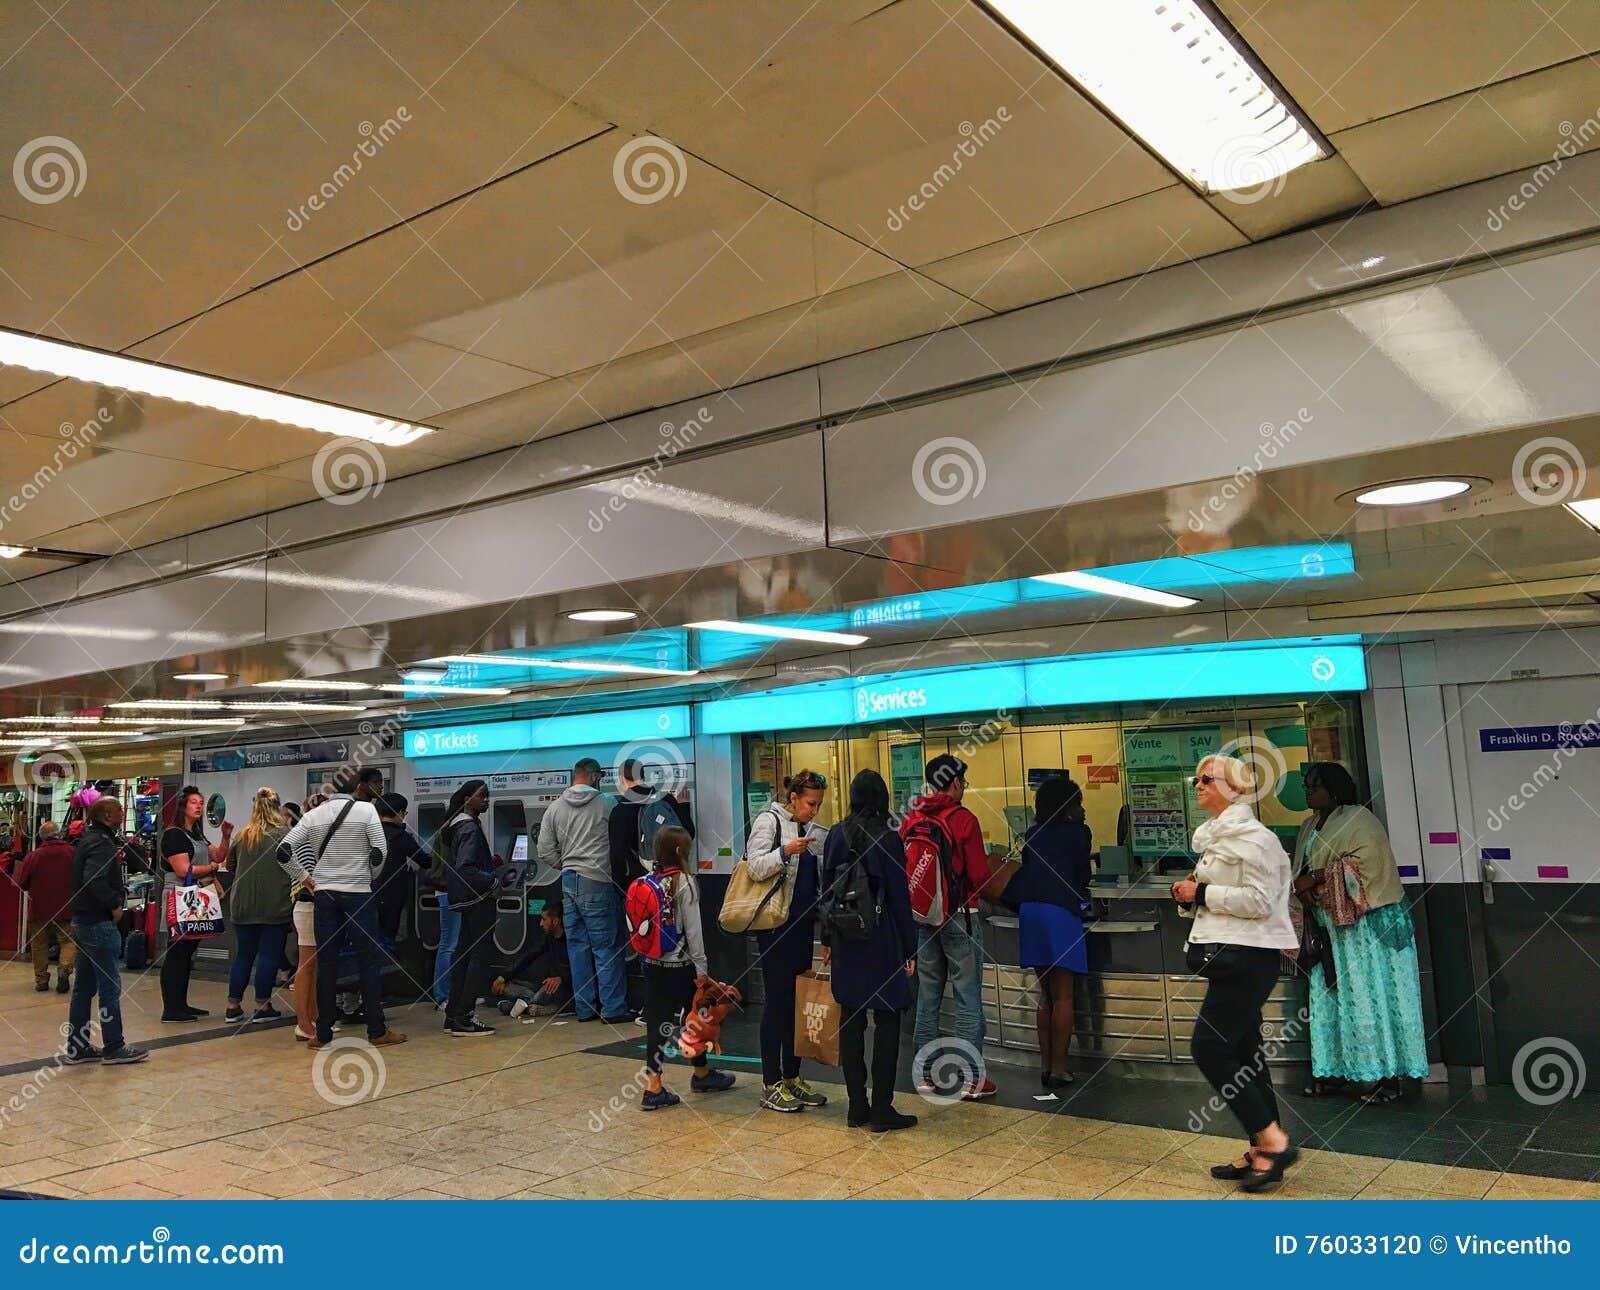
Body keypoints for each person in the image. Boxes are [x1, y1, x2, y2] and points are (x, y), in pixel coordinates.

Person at [1170, 754, 1299, 1192]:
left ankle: (1271, 1139)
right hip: (1232, 952)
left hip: (1249, 956)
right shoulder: (1220, 839)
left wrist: (1202, 891)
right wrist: (1191, 894)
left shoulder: (1254, 839)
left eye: (1206, 779)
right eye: (1196, 779)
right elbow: (1225, 895)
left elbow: (1260, 902)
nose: (1198, 785)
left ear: (1234, 787)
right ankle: (1264, 1148)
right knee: (1246, 1055)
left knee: (1209, 1047)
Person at [1292, 762, 1428, 1104]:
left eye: (1315, 785)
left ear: (1334, 790)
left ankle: (1385, 1077)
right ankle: (1335, 1073)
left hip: (1366, 931)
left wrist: (1317, 878)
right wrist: (1303, 886)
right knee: (1330, 1002)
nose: (1308, 790)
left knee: (1370, 998)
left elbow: (1368, 868)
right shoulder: (1309, 825)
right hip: (1327, 930)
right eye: (1306, 784)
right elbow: (1301, 871)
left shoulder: (1359, 820)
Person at [277, 769, 406, 1051]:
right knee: (368, 962)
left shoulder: (313, 815)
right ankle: (376, 1030)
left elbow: (283, 851)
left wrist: (305, 878)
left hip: (324, 896)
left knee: (327, 964)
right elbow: (379, 852)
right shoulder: (366, 811)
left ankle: (322, 1034)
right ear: (357, 787)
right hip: (358, 896)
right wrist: (368, 875)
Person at [821, 770, 917, 1132]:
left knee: (851, 1019)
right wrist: (910, 948)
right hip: (882, 941)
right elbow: (899, 898)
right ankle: (882, 1108)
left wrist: (827, 941)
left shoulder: (834, 835)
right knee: (889, 1019)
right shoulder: (889, 838)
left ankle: (856, 1106)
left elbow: (826, 892)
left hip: (846, 942)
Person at [900, 754, 999, 1101]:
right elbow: (979, 876)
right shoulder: (963, 819)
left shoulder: (912, 817)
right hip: (960, 916)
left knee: (928, 995)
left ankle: (924, 1075)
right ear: (955, 783)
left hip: (923, 917)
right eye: (963, 783)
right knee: (967, 996)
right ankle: (972, 1079)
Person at [743, 768, 829, 1113]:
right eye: (810, 803)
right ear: (793, 798)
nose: (814, 810)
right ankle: (771, 1082)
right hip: (777, 926)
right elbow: (754, 866)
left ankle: (792, 1078)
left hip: (803, 924)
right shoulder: (770, 822)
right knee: (777, 1003)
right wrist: (785, 851)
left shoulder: (808, 828)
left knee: (796, 1003)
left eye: (819, 804)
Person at [638, 825, 736, 1109]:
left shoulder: (648, 878)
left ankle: (654, 1086)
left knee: (658, 1023)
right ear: (681, 852)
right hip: (680, 966)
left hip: (652, 963)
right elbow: (693, 932)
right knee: (699, 1018)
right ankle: (701, 1074)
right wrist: (702, 971)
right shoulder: (684, 882)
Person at [1012, 776, 1092, 1089]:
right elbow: (1082, 876)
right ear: (1069, 806)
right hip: (1060, 912)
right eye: (1078, 803)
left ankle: (1045, 1066)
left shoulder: (1032, 834)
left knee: (1045, 995)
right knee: (1064, 996)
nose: (1082, 809)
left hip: (1030, 912)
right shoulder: (1079, 833)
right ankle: (1060, 1069)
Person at [538, 758, 629, 1023]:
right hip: (598, 881)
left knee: (577, 947)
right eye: (598, 776)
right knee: (606, 947)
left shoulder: (554, 808)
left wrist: (564, 864)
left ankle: (584, 1009)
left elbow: (544, 849)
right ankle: (612, 1009)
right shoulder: (607, 804)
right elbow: (621, 841)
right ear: (591, 776)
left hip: (569, 880)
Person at [65, 797, 147, 1065]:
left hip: (81, 921)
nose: (124, 813)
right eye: (121, 810)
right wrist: (113, 904)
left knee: (83, 988)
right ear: (108, 814)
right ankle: (114, 1045)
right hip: (98, 923)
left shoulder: (87, 839)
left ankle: (77, 1047)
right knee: (109, 987)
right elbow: (94, 877)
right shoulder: (101, 843)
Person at [159, 785, 231, 1022]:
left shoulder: (197, 835)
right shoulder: (174, 835)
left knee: (188, 951)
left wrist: (226, 837)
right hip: (180, 896)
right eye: (194, 802)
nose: (199, 806)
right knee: (177, 952)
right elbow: (183, 869)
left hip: (195, 897)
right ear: (182, 807)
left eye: (201, 802)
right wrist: (210, 869)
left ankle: (181, 1003)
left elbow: (219, 856)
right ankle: (171, 1008)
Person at [223, 787, 293, 1024]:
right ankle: (262, 1006)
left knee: (243, 955)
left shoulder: (243, 835)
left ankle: (233, 1006)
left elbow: (230, 866)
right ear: (277, 808)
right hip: (274, 905)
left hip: (242, 905)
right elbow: (294, 868)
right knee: (269, 956)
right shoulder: (285, 834)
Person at [439, 779, 498, 1036]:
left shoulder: (456, 826)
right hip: (478, 899)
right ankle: (464, 1016)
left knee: (463, 956)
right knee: (479, 957)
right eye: (481, 796)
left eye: (487, 796)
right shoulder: (469, 828)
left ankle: (453, 1014)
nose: (486, 800)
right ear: (466, 800)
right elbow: (466, 867)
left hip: (464, 899)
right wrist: (492, 879)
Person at [15, 821, 76, 994]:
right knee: (68, 941)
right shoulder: (72, 852)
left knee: (39, 945)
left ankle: (41, 980)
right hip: (66, 908)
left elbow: (23, 883)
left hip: (39, 910)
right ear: (59, 834)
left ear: (41, 837)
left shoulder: (33, 856)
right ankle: (64, 969)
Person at [492, 903, 573, 1018]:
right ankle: (528, 1007)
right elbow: (529, 955)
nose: (541, 923)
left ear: (555, 921)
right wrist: (504, 976)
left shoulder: (572, 940)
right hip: (545, 985)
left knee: (547, 989)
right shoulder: (549, 937)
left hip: (564, 988)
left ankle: (521, 1008)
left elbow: (581, 971)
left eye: (544, 919)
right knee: (508, 987)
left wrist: (561, 978)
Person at [374, 792, 425, 946]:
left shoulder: (368, 833)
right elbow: (424, 860)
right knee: (389, 935)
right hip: (394, 894)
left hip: (369, 893)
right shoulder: (402, 837)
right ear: (400, 813)